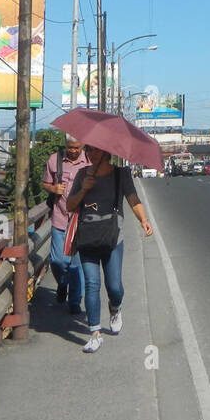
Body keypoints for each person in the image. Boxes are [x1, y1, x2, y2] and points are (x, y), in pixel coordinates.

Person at [67, 144, 154, 353]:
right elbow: (69, 205)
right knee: (92, 283)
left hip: (113, 236)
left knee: (114, 286)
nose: (91, 153)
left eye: (96, 150)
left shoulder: (120, 174)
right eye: (89, 150)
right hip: (87, 237)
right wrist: (84, 189)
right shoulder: (81, 175)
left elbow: (133, 198)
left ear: (106, 152)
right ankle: (95, 333)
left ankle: (115, 307)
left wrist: (143, 219)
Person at [41, 137, 91, 314]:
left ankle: (75, 301)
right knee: (58, 261)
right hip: (60, 219)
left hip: (81, 222)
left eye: (77, 148)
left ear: (82, 146)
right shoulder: (55, 160)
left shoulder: (90, 162)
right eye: (70, 147)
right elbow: (45, 183)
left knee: (76, 265)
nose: (74, 151)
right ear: (65, 145)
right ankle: (62, 283)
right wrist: (53, 189)